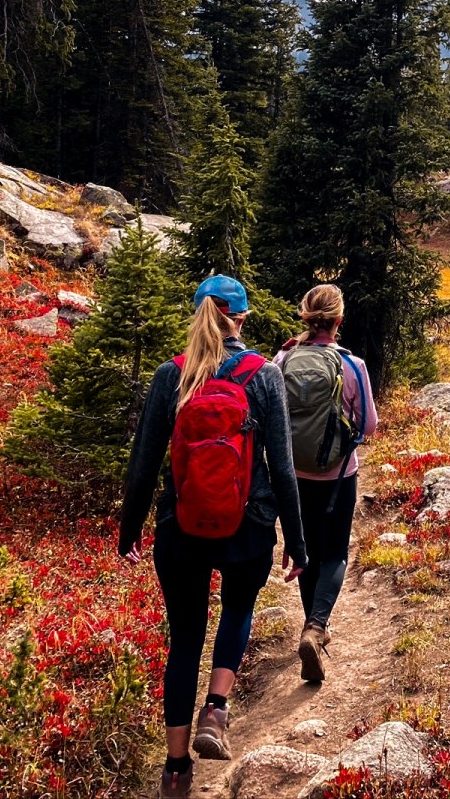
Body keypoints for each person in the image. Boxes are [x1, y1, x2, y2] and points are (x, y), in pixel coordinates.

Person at [120, 275, 308, 798]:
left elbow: (143, 463)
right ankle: (216, 711)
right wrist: (296, 540)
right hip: (248, 522)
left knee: (184, 641)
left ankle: (176, 770)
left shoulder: (170, 376)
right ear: (241, 318)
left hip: (179, 526)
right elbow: (284, 468)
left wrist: (130, 529)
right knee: (238, 608)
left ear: (197, 312)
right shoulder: (263, 375)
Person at [275, 285, 378, 683]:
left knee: (306, 554)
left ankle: (311, 626)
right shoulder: (352, 365)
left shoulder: (283, 358)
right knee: (334, 553)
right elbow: (368, 426)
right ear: (338, 320)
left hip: (292, 476)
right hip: (338, 475)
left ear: (305, 317)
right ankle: (316, 628)